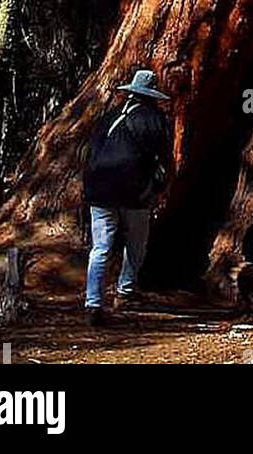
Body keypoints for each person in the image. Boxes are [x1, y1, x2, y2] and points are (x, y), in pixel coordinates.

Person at [83, 68, 172, 326]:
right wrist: (160, 185)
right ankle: (125, 292)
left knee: (100, 248)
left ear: (132, 92)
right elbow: (165, 156)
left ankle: (93, 303)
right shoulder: (154, 119)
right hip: (134, 192)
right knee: (136, 244)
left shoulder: (109, 117)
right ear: (152, 95)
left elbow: (90, 152)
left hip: (98, 192)